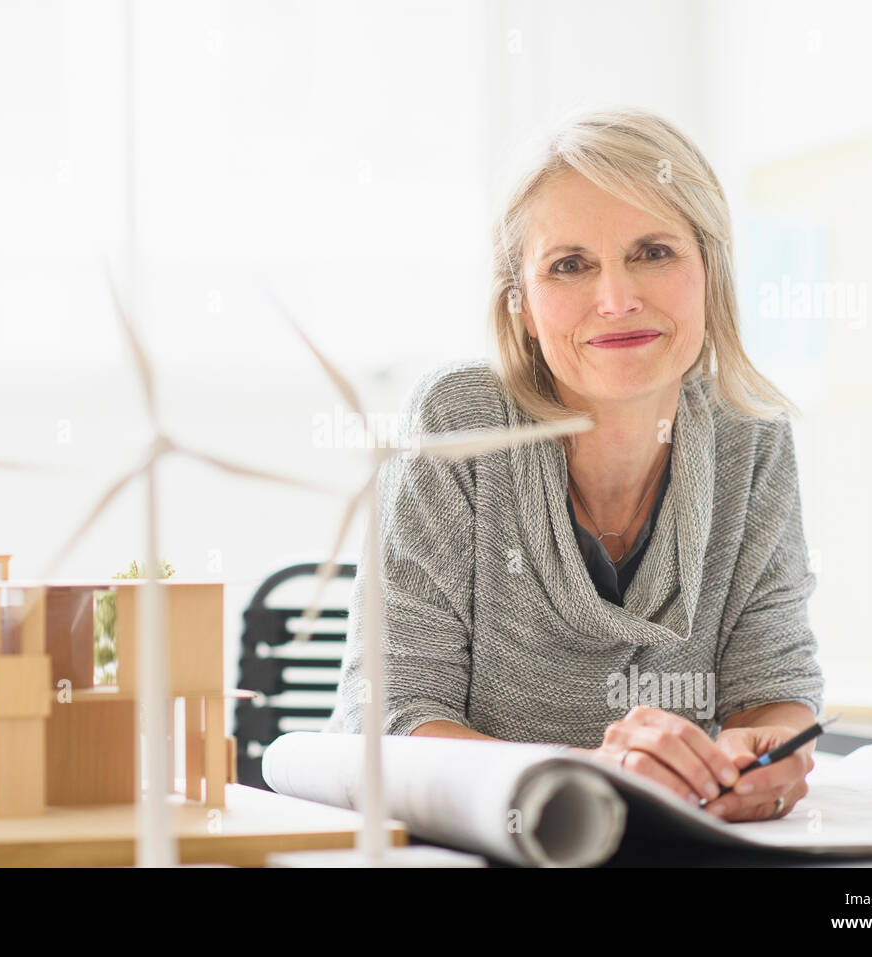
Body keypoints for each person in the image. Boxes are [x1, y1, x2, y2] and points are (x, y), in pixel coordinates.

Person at [324, 106, 824, 823]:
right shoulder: (457, 422)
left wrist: (761, 758)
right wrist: (594, 774)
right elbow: (394, 720)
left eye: (653, 251)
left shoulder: (752, 437)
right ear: (521, 305)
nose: (617, 299)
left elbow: (772, 685)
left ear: (708, 270)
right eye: (569, 265)